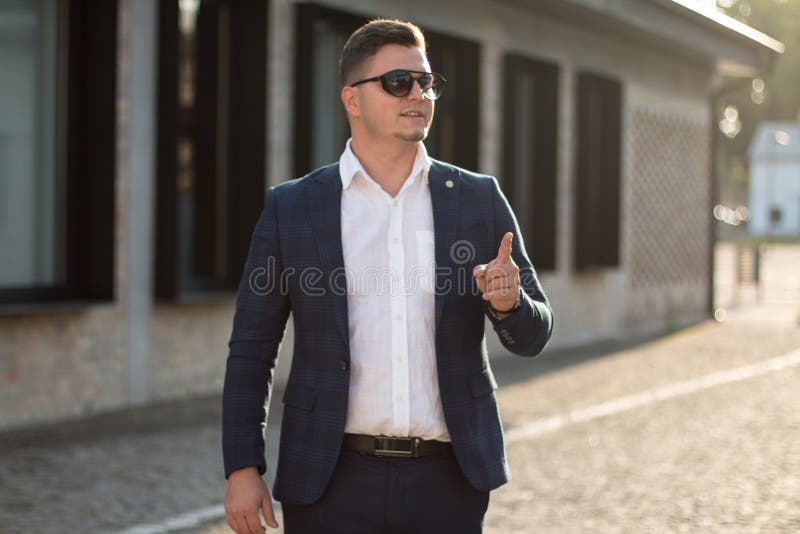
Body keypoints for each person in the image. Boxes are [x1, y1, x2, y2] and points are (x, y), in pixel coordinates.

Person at [222, 18, 554, 534]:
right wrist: (243, 467)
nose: (417, 93)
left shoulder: (477, 200)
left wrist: (509, 305)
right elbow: (251, 346)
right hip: (328, 481)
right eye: (398, 82)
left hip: (449, 482)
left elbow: (534, 336)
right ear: (352, 100)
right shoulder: (294, 209)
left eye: (426, 82)